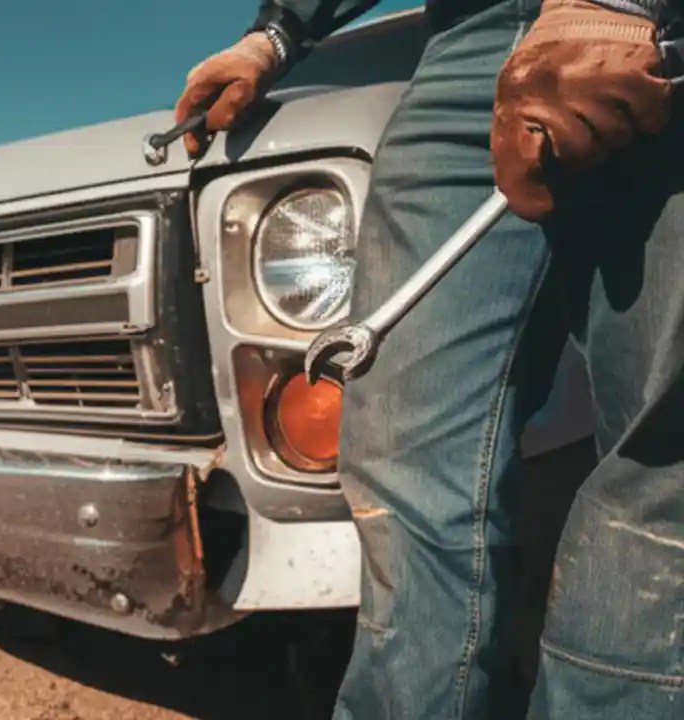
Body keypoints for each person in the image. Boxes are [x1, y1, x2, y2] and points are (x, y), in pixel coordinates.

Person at [177, 0, 682, 718]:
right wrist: (278, 33)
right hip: (468, 41)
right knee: (407, 456)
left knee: (661, 462)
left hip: (660, 34)